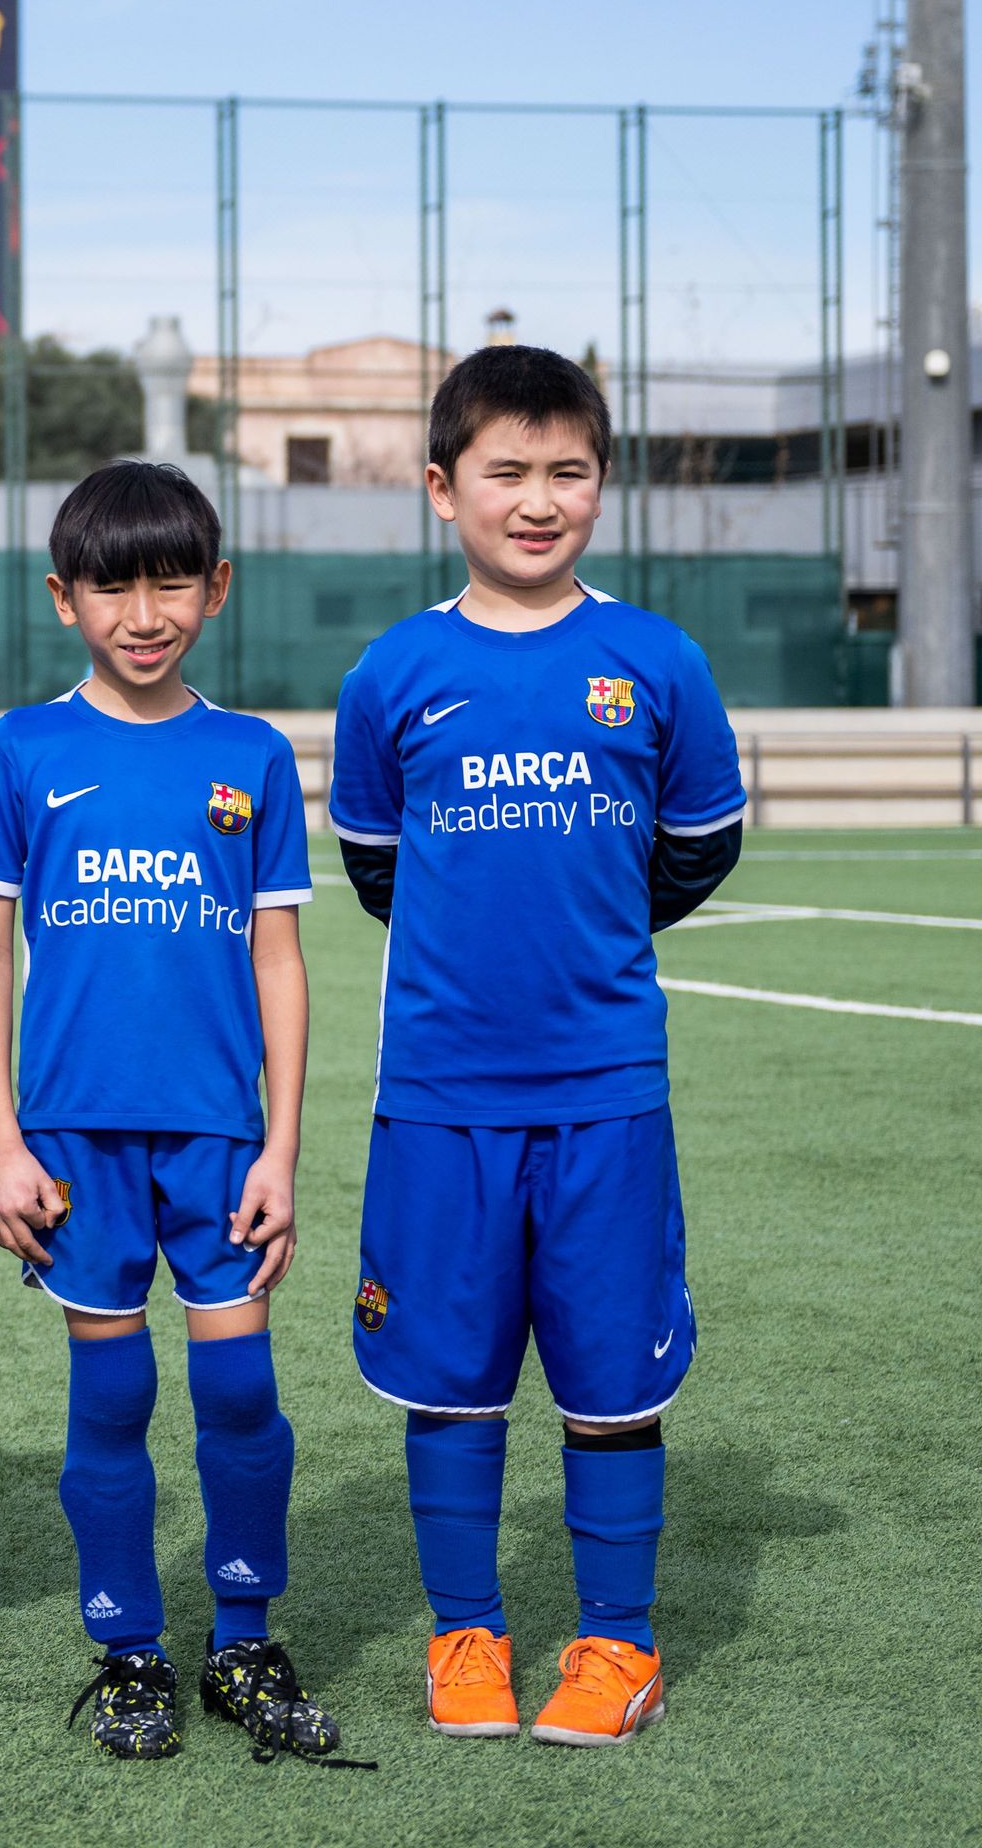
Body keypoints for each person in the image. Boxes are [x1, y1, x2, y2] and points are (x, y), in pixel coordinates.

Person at [328, 345, 744, 1748]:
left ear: (601, 487)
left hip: (605, 1091)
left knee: (611, 1380)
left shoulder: (655, 661)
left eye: (567, 471)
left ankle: (617, 1642)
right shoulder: (394, 671)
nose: (536, 498)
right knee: (448, 1379)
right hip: (440, 1095)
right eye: (505, 471)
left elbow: (697, 847)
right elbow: (377, 868)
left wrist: (594, 937)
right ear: (440, 489)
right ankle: (466, 1637)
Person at [0, 462, 352, 1765]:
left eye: (171, 582)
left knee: (239, 1390)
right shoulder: (24, 750)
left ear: (216, 588)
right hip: (75, 1139)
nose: (142, 613)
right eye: (111, 587)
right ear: (61, 597)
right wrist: (0, 1139)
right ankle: (128, 1647)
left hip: (219, 1135)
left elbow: (278, 958)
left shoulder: (250, 755)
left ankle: (242, 1639)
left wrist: (280, 1146)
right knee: (112, 1395)